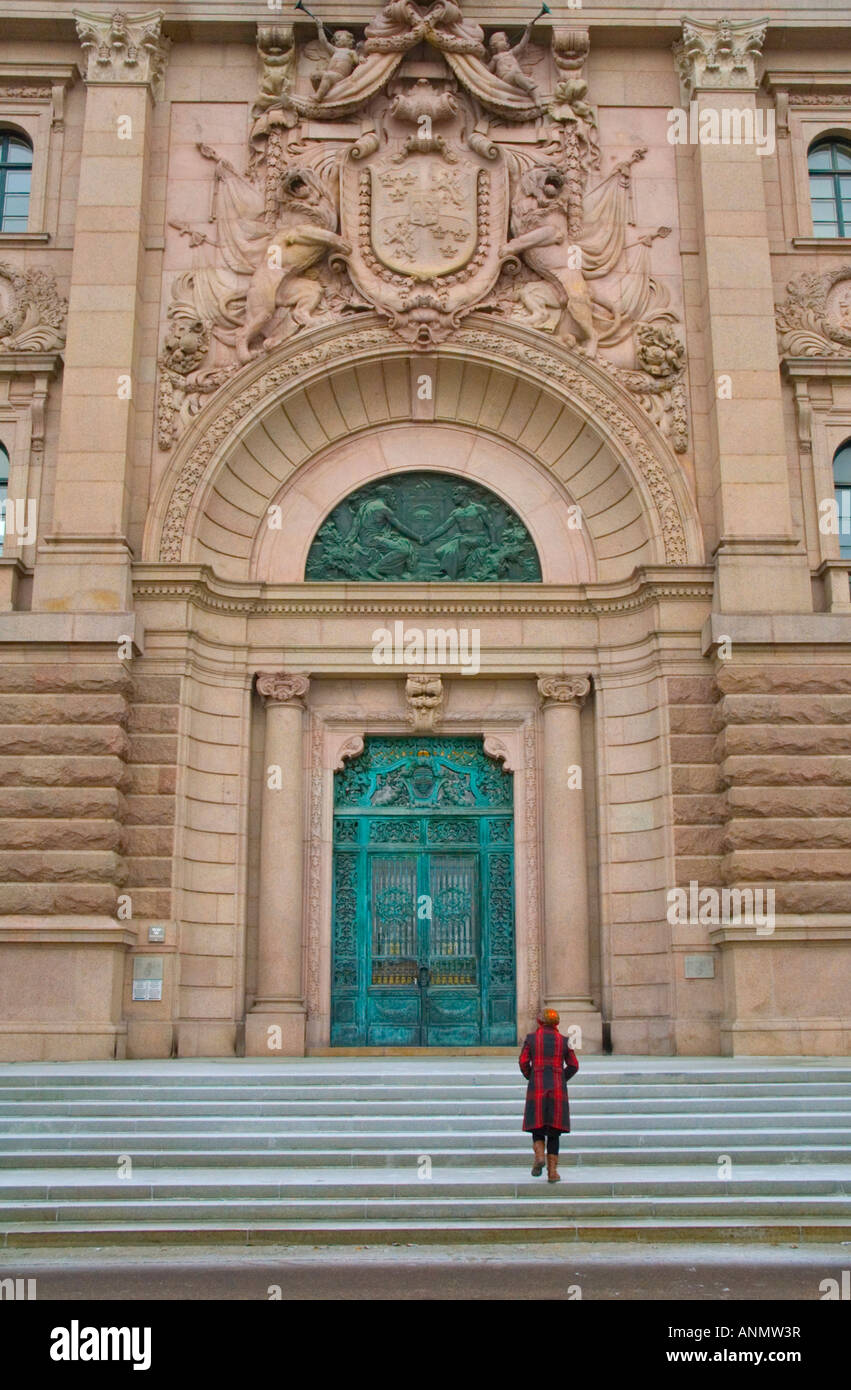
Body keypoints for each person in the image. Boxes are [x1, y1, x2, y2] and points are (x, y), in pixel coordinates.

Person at [519, 1008, 579, 1183]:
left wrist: (531, 1076)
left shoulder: (531, 1039)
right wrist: (561, 1077)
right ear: (557, 1024)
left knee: (537, 1127)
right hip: (557, 1088)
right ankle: (552, 1172)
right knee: (554, 1132)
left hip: (537, 1086)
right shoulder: (564, 1041)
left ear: (539, 1022)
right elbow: (574, 1065)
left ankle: (539, 1156)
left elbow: (523, 1061)